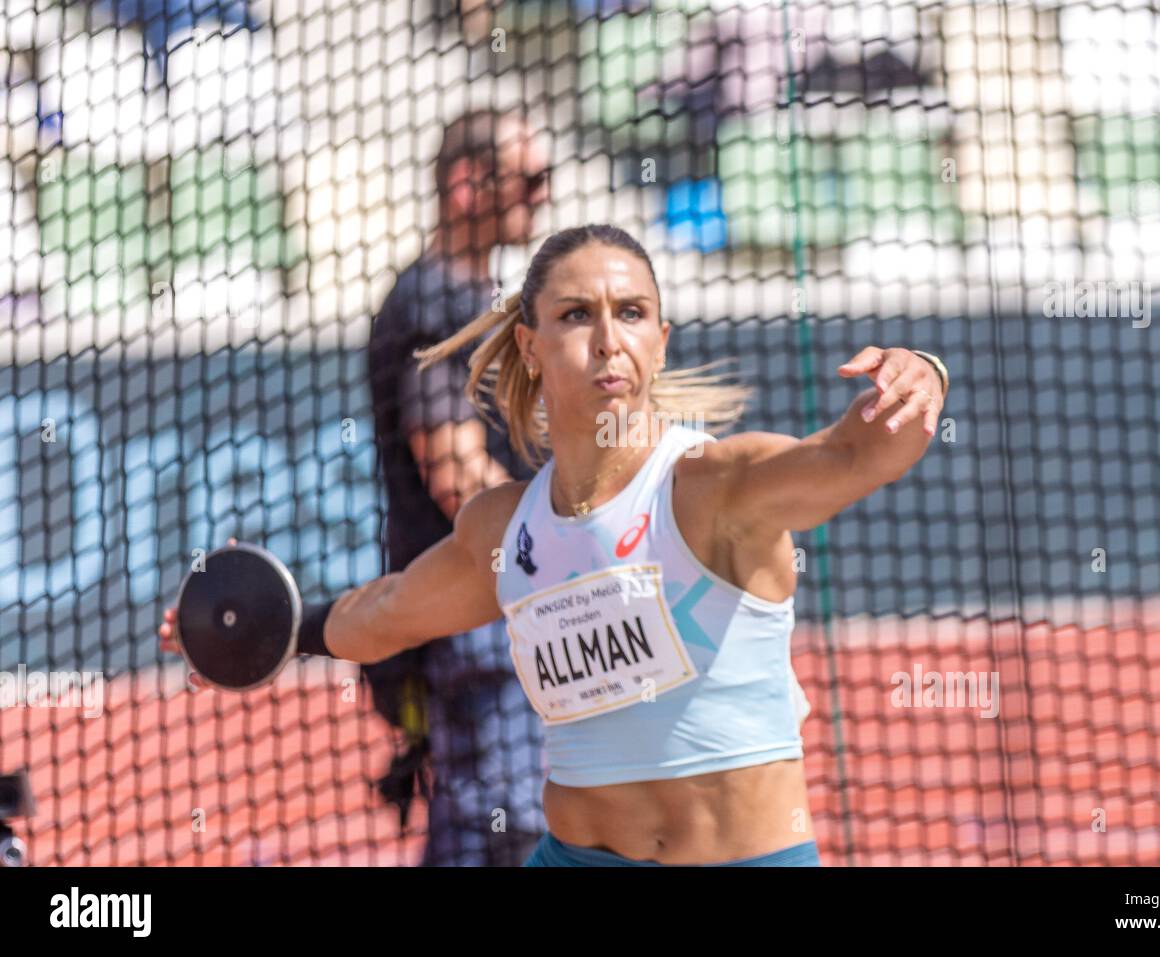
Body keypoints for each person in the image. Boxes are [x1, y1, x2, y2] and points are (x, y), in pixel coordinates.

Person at [161, 222, 948, 866]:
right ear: (532, 348)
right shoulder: (507, 527)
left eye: (631, 312)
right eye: (577, 314)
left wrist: (923, 376)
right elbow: (393, 608)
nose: (609, 338)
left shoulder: (715, 486)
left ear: (661, 341)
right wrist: (273, 633)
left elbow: (852, 456)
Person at [363, 108, 551, 865]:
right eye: (529, 178)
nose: (541, 196)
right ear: (468, 185)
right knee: (503, 820)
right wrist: (565, 542)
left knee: (494, 817)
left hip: (487, 605)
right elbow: (454, 474)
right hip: (478, 613)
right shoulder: (431, 308)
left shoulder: (470, 300)